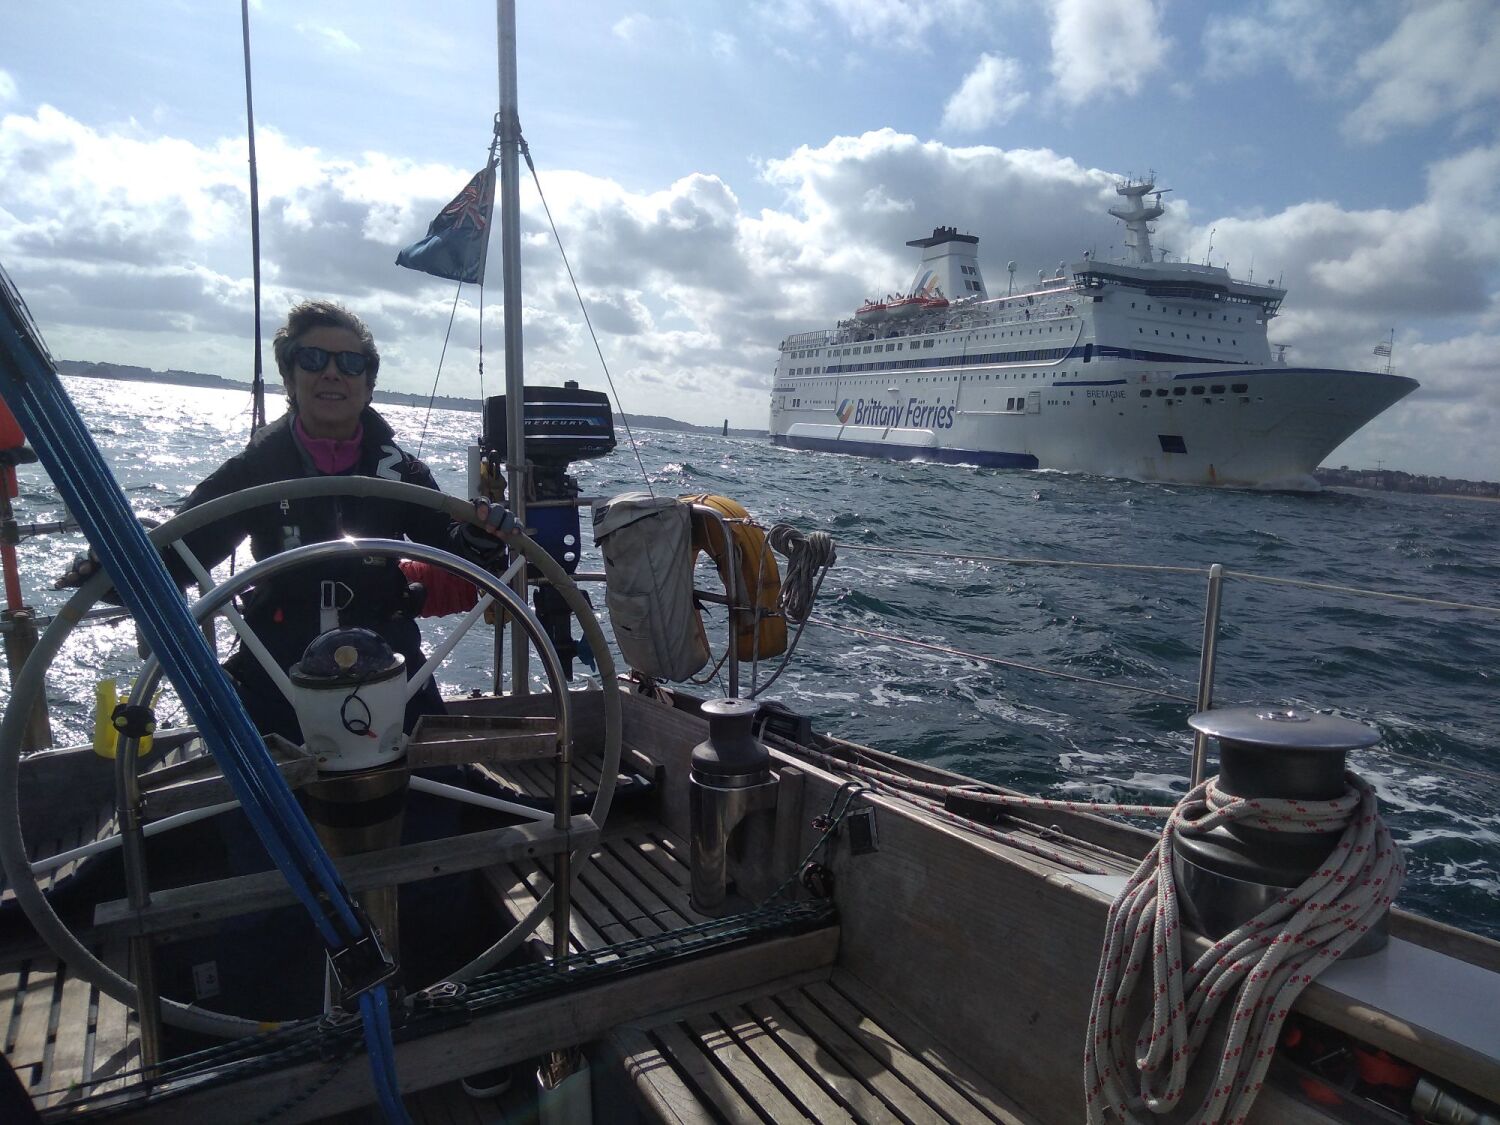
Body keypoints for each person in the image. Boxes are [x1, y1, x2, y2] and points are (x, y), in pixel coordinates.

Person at [60, 299, 506, 742]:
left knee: (446, 787)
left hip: (386, 650)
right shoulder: (253, 471)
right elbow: (182, 554)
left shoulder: (400, 471)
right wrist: (114, 572)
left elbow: (453, 546)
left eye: (350, 363)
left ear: (368, 384)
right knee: (246, 800)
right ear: (290, 378)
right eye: (312, 359)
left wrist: (481, 533)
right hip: (275, 659)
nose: (332, 372)